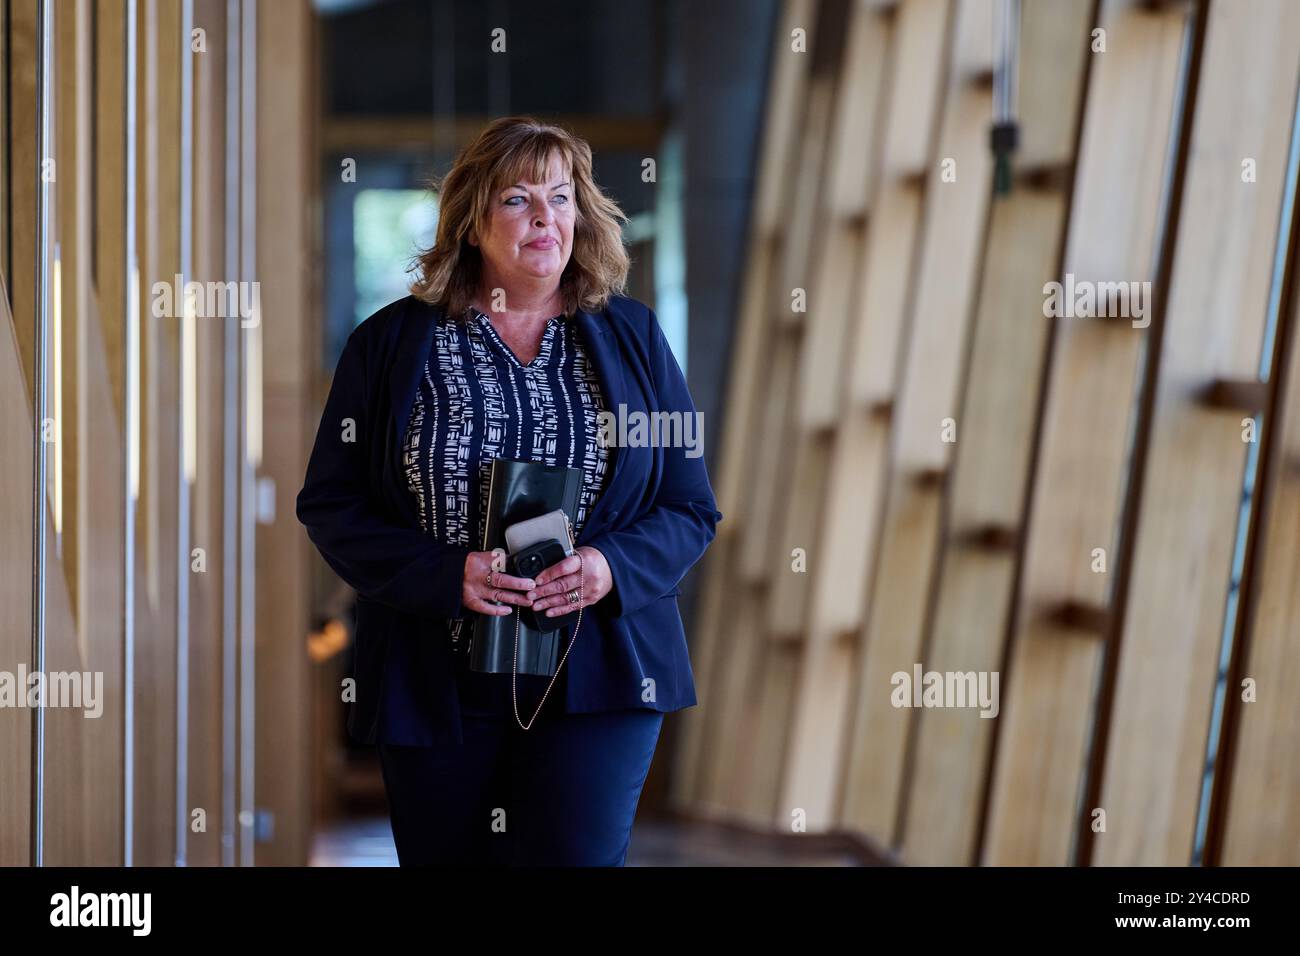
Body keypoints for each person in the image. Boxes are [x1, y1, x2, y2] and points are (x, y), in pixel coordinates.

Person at [296, 115, 722, 866]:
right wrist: (442, 574)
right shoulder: (390, 345)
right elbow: (331, 504)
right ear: (471, 220)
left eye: (561, 199)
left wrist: (606, 568)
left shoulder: (636, 339)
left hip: (601, 671)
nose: (544, 219)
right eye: (518, 200)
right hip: (435, 674)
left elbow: (689, 507)